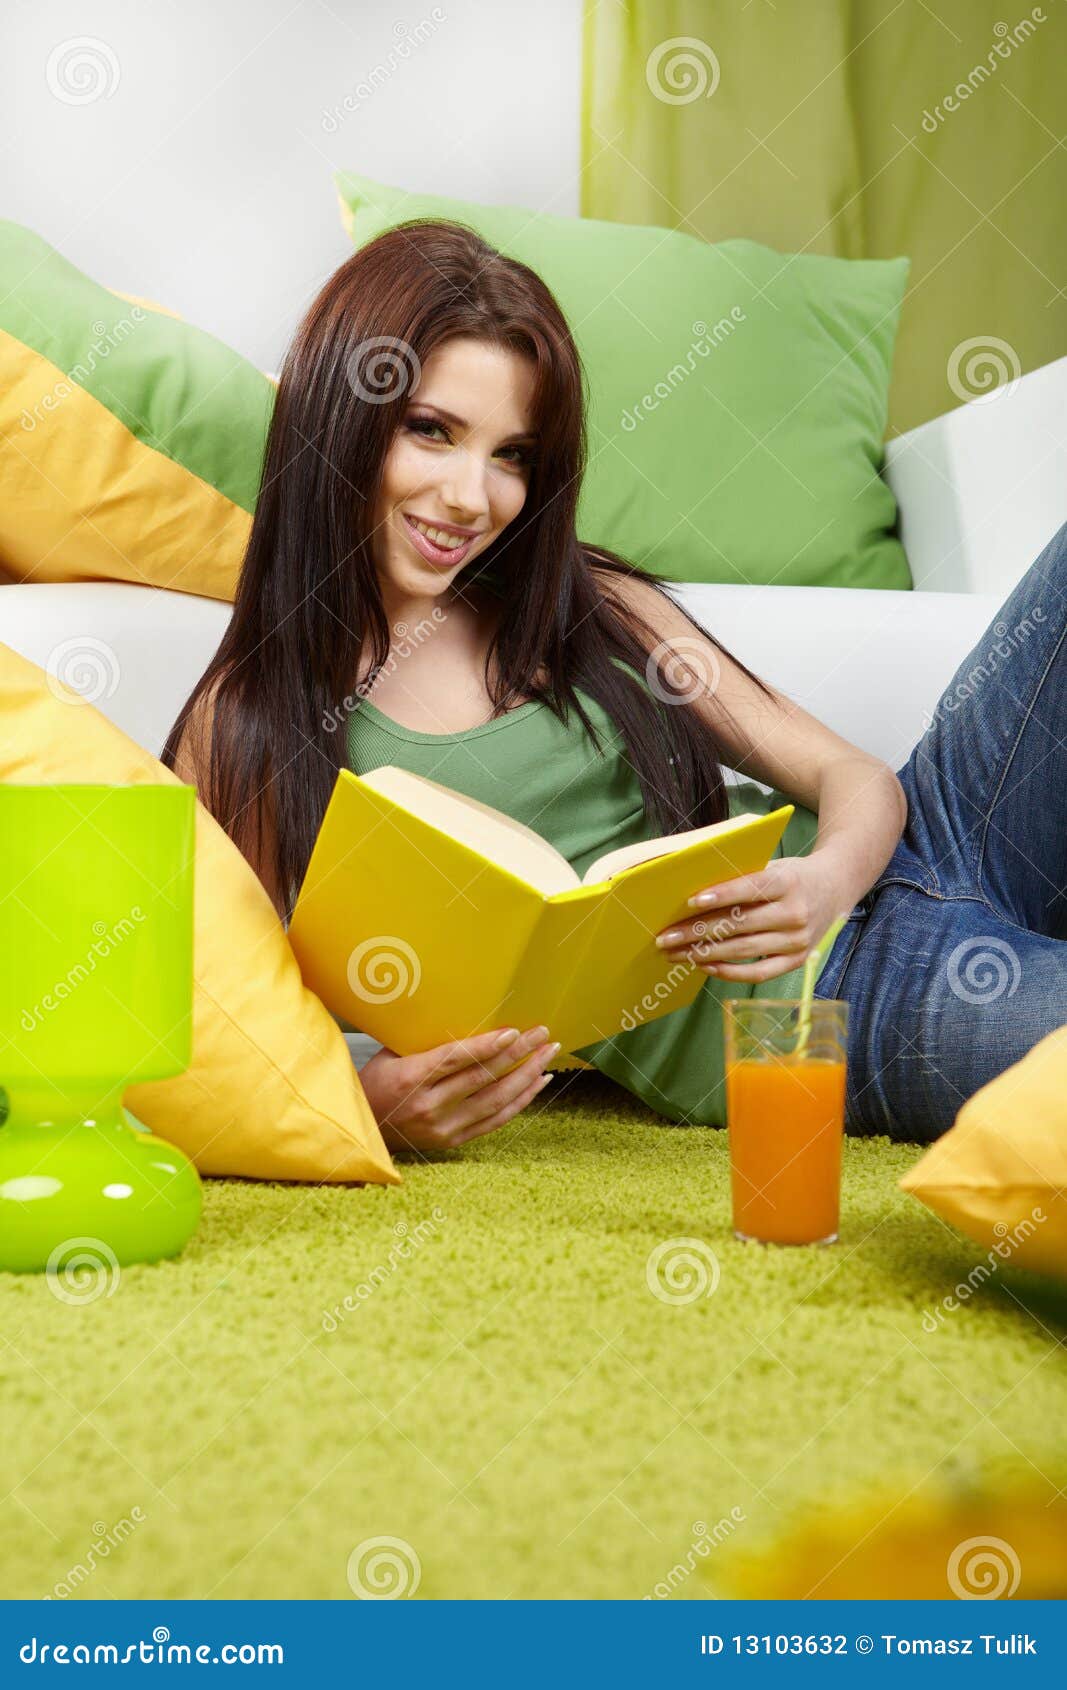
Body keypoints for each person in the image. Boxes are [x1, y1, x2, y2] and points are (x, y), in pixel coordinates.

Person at [163, 220, 1067, 1156]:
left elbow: (854, 776)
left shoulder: (592, 606)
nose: (474, 497)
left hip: (939, 833)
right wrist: (369, 1098)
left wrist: (826, 881)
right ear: (338, 421)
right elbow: (222, 1026)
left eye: (512, 455)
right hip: (843, 1005)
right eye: (431, 432)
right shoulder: (250, 726)